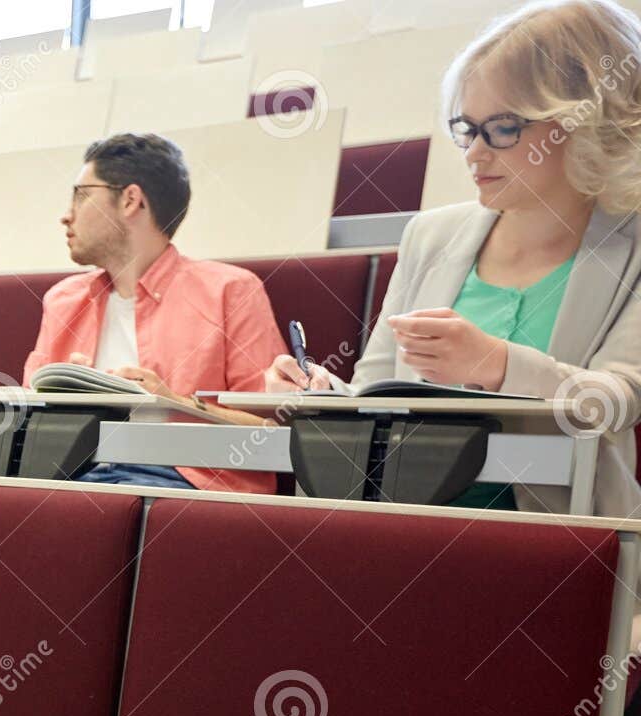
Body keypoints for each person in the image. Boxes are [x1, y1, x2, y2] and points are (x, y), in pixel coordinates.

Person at [265, 0, 641, 517]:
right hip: (403, 518)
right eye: (467, 128)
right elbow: (376, 391)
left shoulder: (633, 244)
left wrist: (498, 364)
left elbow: (615, 403)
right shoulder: (432, 235)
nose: (474, 153)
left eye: (504, 129)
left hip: (558, 538)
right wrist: (323, 393)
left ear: (587, 121)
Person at [18, 133, 286, 492]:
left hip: (176, 475)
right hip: (65, 467)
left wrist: (173, 404)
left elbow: (270, 431)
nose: (65, 216)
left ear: (130, 200)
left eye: (80, 196)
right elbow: (23, 417)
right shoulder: (62, 299)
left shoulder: (231, 290)